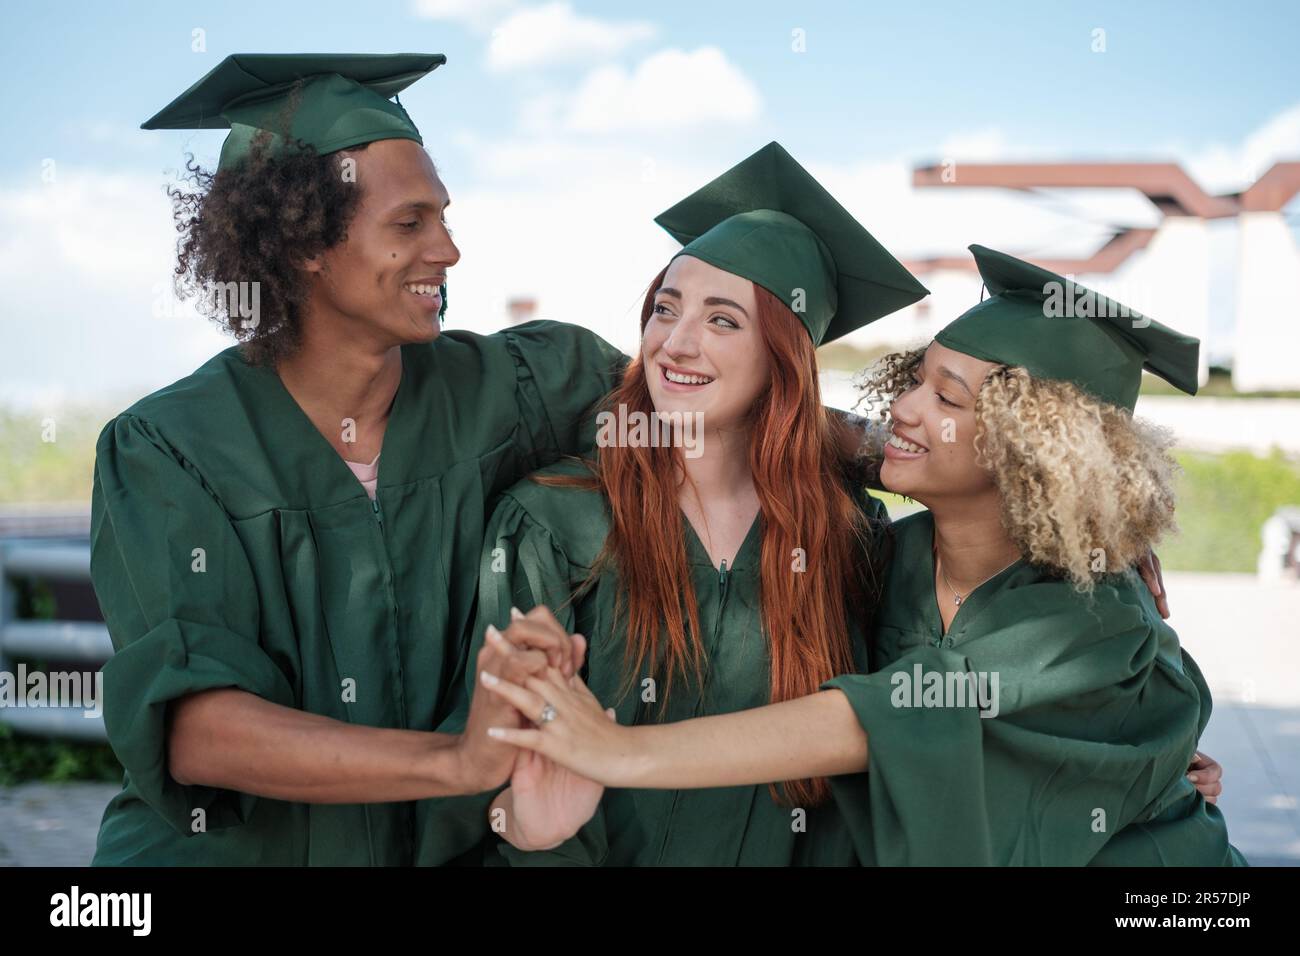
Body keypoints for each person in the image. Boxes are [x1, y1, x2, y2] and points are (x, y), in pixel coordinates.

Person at [479, 245, 1246, 866]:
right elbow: (744, 407)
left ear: (1031, 454)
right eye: (915, 380)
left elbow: (876, 721)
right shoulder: (888, 554)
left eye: (946, 399)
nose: (901, 408)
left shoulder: (1090, 615)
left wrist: (618, 752)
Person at [89, 53, 613, 866]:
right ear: (304, 243)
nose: (449, 250)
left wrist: (861, 439)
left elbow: (711, 410)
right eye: (410, 224)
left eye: (443, 217)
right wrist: (457, 762)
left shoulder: (509, 387)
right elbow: (199, 729)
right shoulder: (171, 448)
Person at [461, 142, 926, 864]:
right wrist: (529, 825)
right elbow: (497, 782)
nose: (675, 344)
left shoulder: (849, 535)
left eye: (722, 321)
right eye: (664, 310)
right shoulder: (554, 522)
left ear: (783, 358)